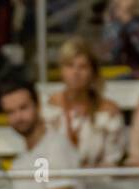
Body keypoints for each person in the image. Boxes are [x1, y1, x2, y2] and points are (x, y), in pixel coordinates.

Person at [0, 80, 87, 189]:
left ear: (38, 105)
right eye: (11, 112)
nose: (18, 117)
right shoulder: (18, 162)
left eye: (23, 108)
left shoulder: (57, 148)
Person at [44, 37, 128, 168]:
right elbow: (42, 155)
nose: (75, 72)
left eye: (82, 67)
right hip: (56, 181)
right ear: (61, 70)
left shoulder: (109, 111)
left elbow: (112, 160)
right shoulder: (49, 107)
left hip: (99, 183)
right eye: (70, 65)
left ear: (93, 73)